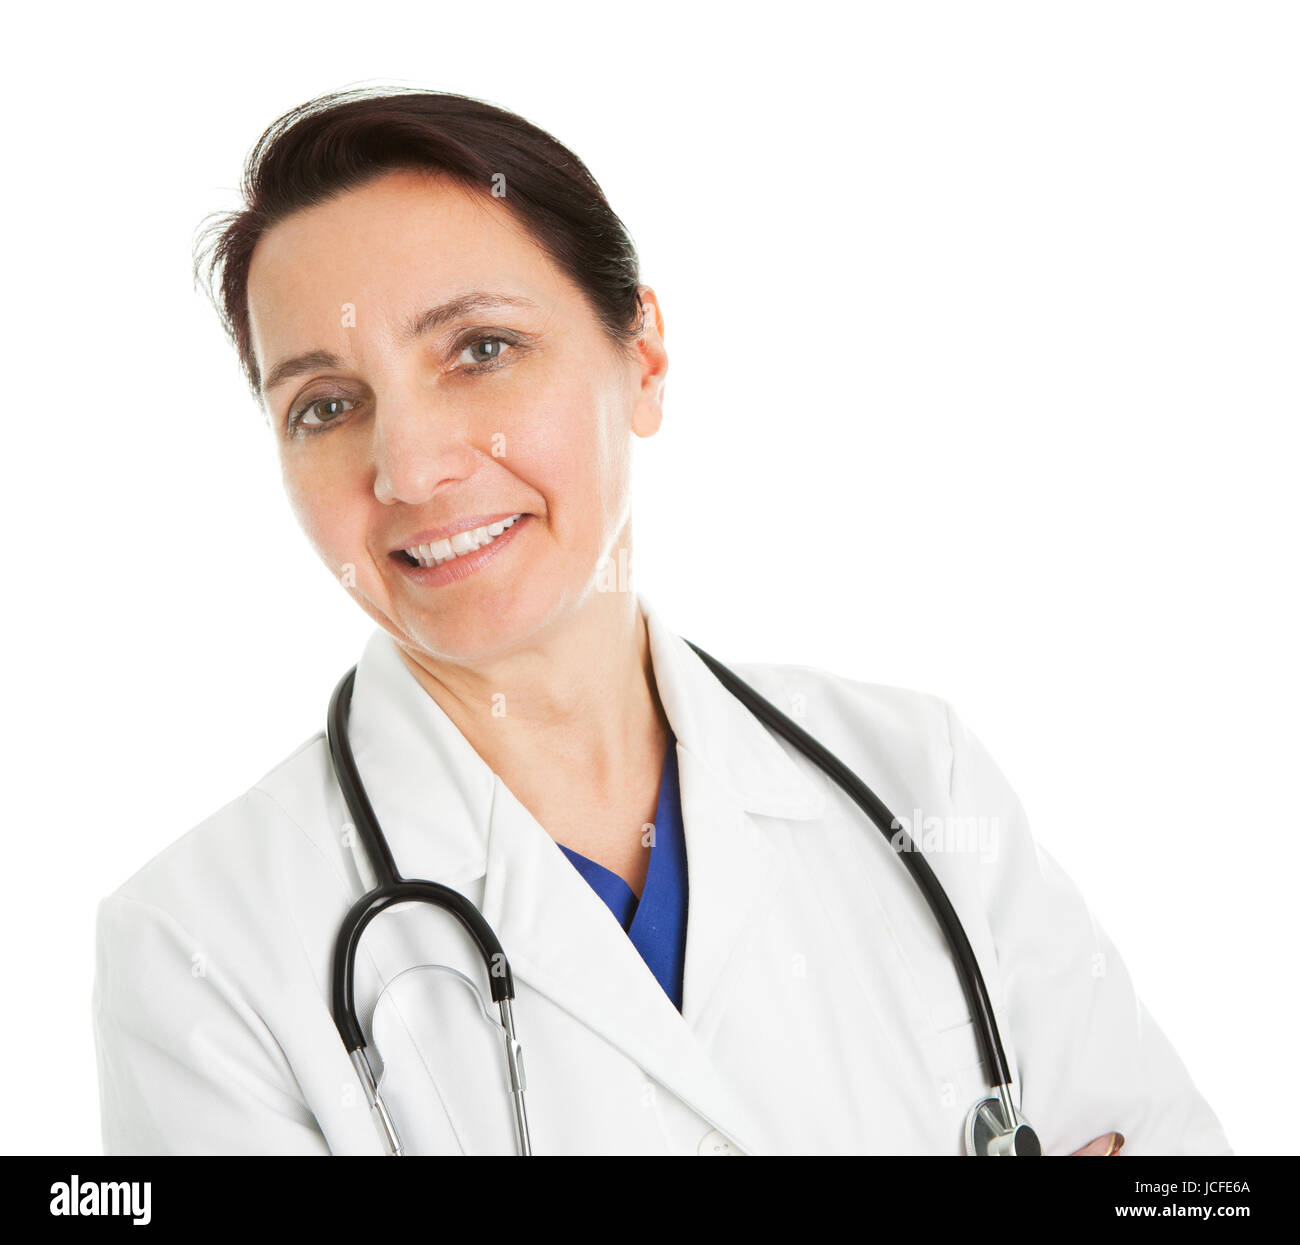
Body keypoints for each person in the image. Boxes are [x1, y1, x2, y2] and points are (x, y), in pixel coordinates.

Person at [91, 86, 1230, 1156]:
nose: (410, 467)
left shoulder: (912, 779)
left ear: (641, 353)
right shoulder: (200, 949)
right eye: (326, 405)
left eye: (481, 350)